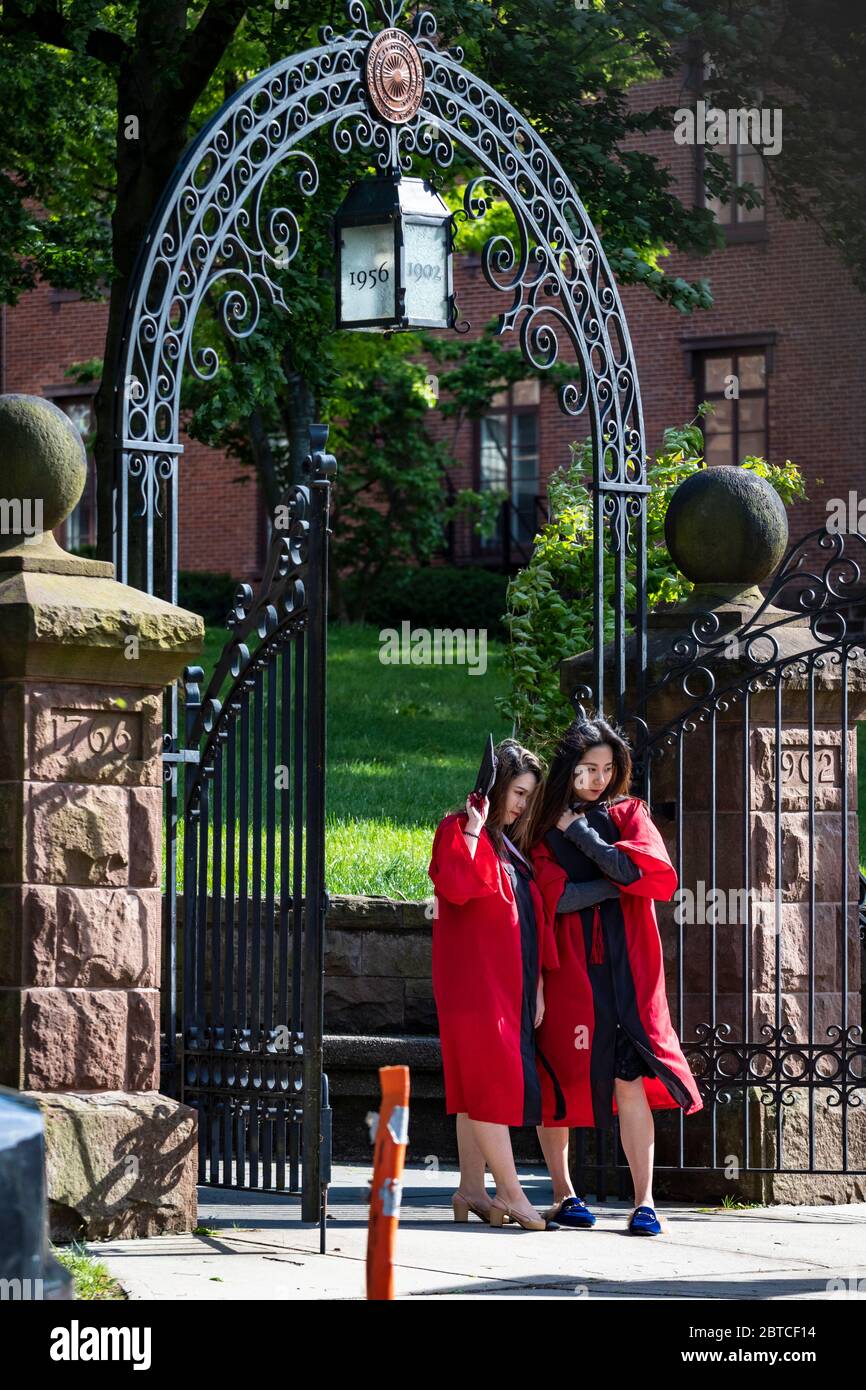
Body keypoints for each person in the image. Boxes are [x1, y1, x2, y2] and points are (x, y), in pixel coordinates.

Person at [519, 713, 703, 1236]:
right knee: (560, 1075)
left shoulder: (628, 814)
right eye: (586, 768)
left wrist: (582, 836)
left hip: (629, 972)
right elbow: (560, 899)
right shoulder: (541, 826)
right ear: (567, 770)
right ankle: (564, 1193)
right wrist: (619, 880)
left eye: (606, 767)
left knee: (631, 1082)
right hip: (570, 970)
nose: (598, 778)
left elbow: (644, 873)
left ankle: (645, 1202)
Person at [428, 738, 558, 1231]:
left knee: (470, 1089)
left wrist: (539, 984)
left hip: (510, 985)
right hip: (473, 985)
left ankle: (471, 1189)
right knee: (486, 1086)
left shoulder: (513, 849)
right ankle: (512, 1192)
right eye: (518, 793)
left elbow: (532, 919)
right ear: (497, 786)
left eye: (528, 796)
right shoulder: (457, 831)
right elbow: (459, 887)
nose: (523, 805)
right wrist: (474, 828)